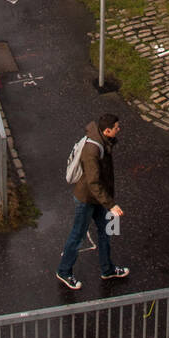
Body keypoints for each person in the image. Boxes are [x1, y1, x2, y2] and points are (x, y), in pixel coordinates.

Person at [56, 114, 129, 289]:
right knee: (78, 236)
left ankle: (107, 269)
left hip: (97, 197)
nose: (119, 129)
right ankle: (64, 271)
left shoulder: (102, 140)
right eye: (116, 127)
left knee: (106, 232)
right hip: (87, 199)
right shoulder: (93, 150)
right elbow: (93, 182)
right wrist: (111, 204)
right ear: (107, 130)